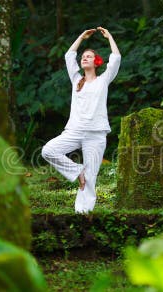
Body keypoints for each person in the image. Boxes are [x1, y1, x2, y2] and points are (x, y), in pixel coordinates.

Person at [41, 27, 121, 214]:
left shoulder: (103, 80)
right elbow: (69, 55)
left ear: (97, 62)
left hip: (96, 134)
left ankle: (82, 214)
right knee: (48, 150)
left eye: (89, 56)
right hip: (74, 131)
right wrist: (80, 37)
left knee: (91, 177)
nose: (84, 58)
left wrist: (109, 36)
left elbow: (116, 59)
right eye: (83, 56)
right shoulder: (76, 79)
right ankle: (77, 171)